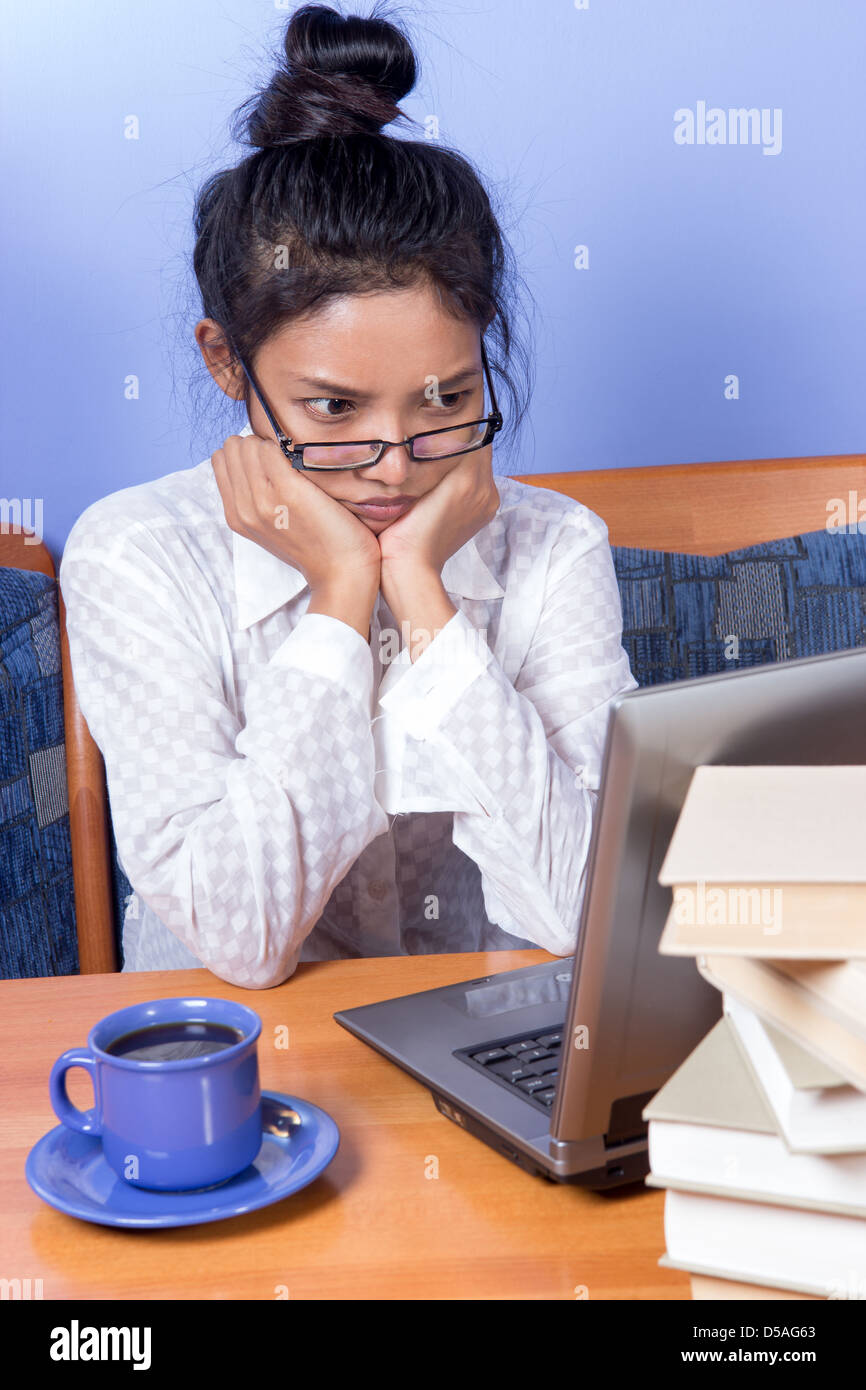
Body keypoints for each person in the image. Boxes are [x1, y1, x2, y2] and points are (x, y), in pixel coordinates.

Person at [59, 3, 638, 988]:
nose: (394, 465)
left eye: (446, 397)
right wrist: (337, 594)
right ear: (226, 363)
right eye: (331, 408)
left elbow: (584, 913)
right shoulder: (136, 554)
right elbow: (243, 943)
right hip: (234, 1062)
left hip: (483, 1049)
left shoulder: (556, 547)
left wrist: (420, 593)